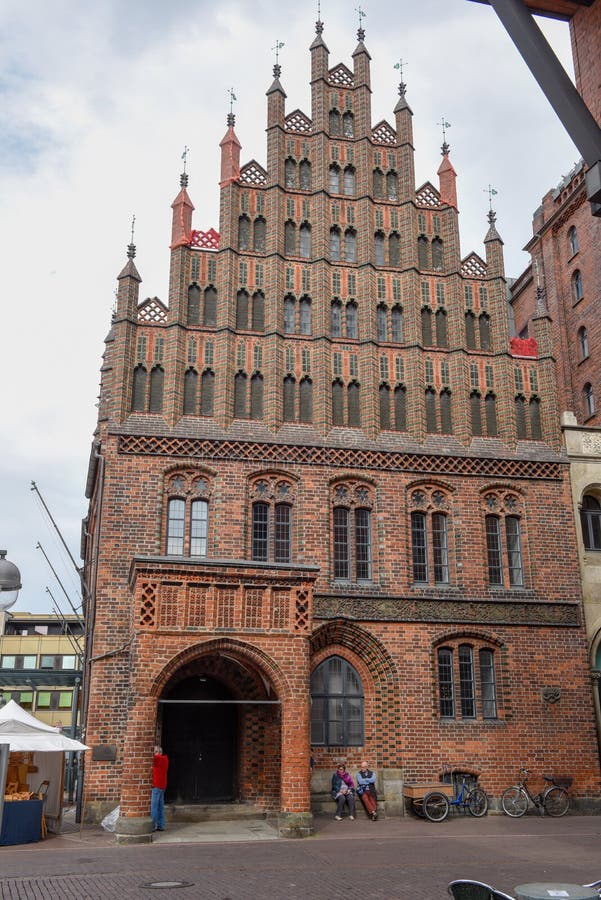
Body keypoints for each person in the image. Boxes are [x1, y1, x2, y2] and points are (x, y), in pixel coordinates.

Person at [151, 744, 169, 832]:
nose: (153, 754)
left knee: (153, 807)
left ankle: (152, 826)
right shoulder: (165, 759)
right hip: (162, 787)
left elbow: (150, 759)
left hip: (156, 786)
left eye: (154, 752)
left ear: (158, 752)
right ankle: (161, 825)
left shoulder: (158, 759)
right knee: (160, 807)